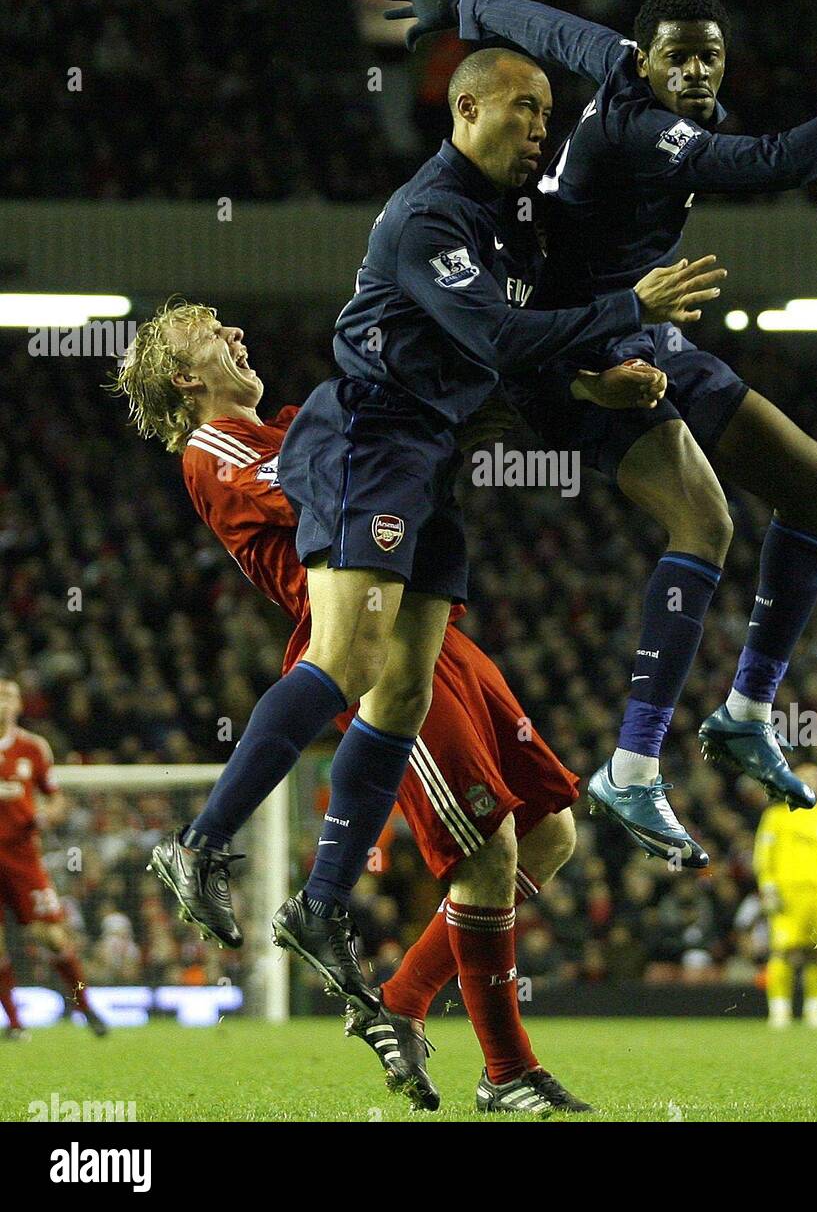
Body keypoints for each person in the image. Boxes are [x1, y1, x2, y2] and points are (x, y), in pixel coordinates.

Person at [136, 47, 722, 995]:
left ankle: (322, 901)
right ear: (464, 108)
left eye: (547, 111)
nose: (542, 126)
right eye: (524, 108)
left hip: (429, 457)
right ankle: (200, 842)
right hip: (381, 441)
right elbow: (479, 339)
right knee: (351, 667)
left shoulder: (499, 221)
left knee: (396, 698)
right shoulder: (427, 217)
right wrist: (628, 307)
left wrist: (584, 378)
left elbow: (484, 351)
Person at [384, 0, 817, 861]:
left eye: (710, 58)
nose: (697, 74)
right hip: (586, 345)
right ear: (650, 66)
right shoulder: (642, 129)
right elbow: (779, 163)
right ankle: (630, 767)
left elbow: (535, 20)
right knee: (704, 522)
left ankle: (744, 714)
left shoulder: (614, 56)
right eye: (680, 59)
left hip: (648, 330)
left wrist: (452, 4)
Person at [115, 313, 706, 1105]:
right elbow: (333, 496)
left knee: (548, 833)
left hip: (438, 636)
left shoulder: (293, 426)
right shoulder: (212, 450)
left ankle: (402, 1000)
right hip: (377, 648)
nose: (233, 330)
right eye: (207, 331)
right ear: (184, 378)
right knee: (488, 852)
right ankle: (506, 1071)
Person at [0, 679, 107, 1039]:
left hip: (23, 856)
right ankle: (15, 1024)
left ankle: (87, 1007)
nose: (3, 703)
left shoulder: (33, 748)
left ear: (18, 705)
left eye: (9, 697)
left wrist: (48, 814)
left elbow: (55, 796)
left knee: (52, 936)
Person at [754, 763, 817, 1029]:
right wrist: (768, 887)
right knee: (784, 951)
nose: (811, 783)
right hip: (788, 893)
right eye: (805, 778)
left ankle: (815, 1010)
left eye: (816, 779)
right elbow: (763, 855)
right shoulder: (776, 817)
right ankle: (779, 1010)